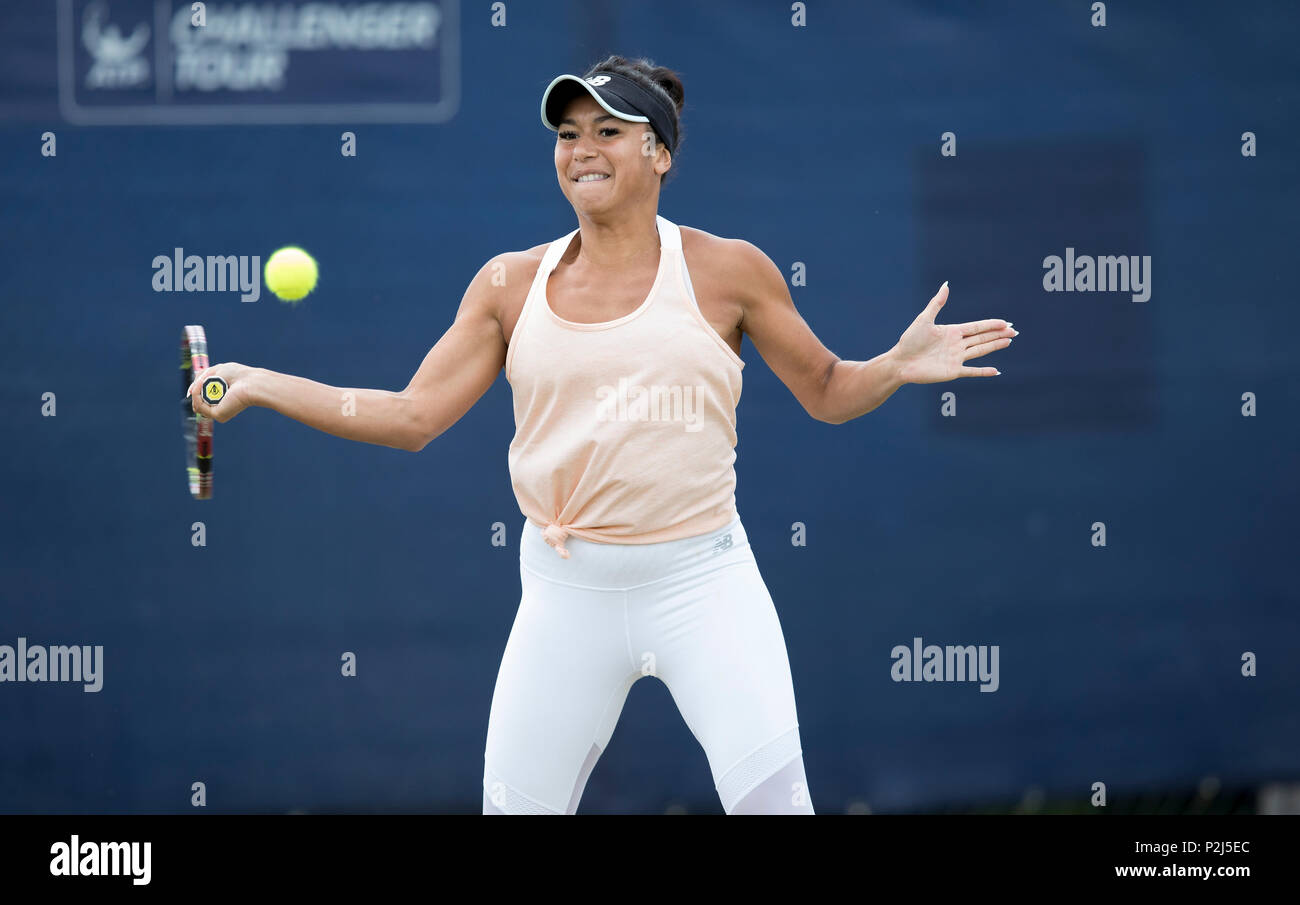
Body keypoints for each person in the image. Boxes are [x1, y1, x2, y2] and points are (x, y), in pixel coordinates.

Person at [187, 55, 1015, 815]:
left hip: (706, 587)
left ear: (658, 153)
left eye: (608, 132)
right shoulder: (507, 285)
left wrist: (896, 366)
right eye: (568, 133)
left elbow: (830, 391)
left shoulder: (730, 270)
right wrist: (261, 383)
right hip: (563, 597)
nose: (582, 149)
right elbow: (412, 418)